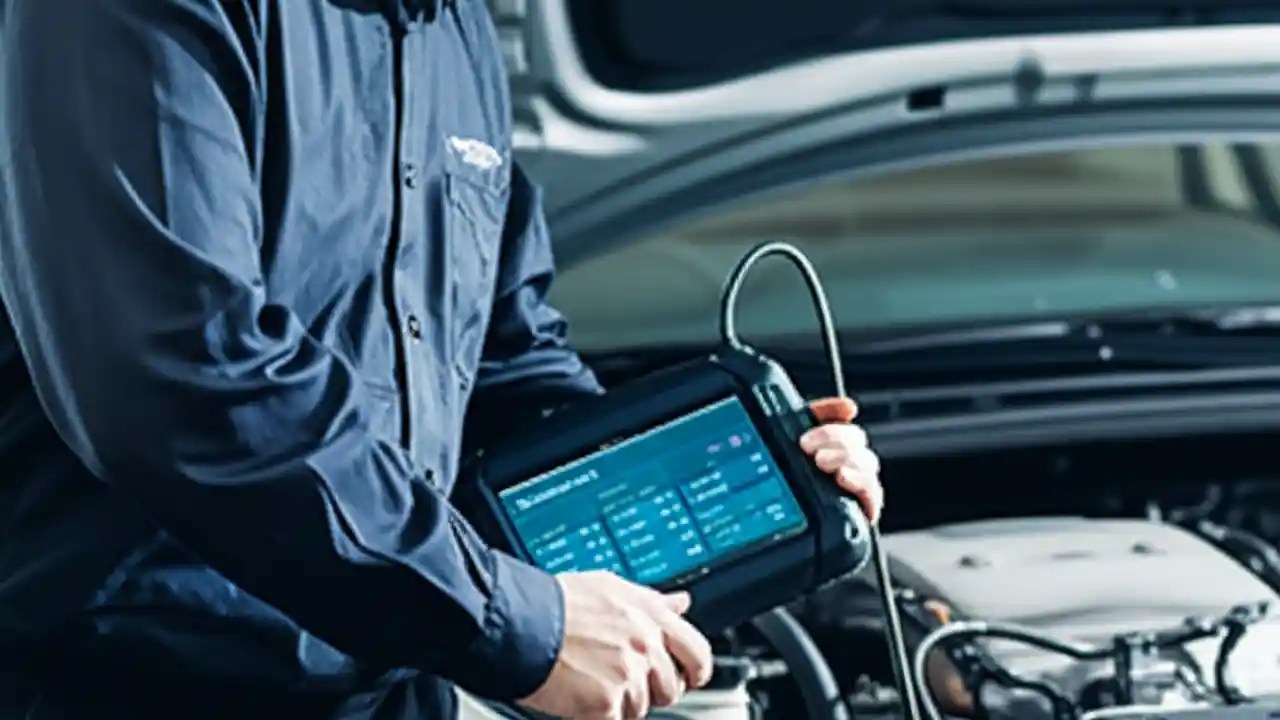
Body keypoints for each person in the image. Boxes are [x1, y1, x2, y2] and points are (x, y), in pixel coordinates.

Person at [0, 1, 886, 718]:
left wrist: (712, 469)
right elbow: (179, 377)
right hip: (120, 683)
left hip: (393, 680)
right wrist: (512, 623)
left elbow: (500, 358)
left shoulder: (453, 34)